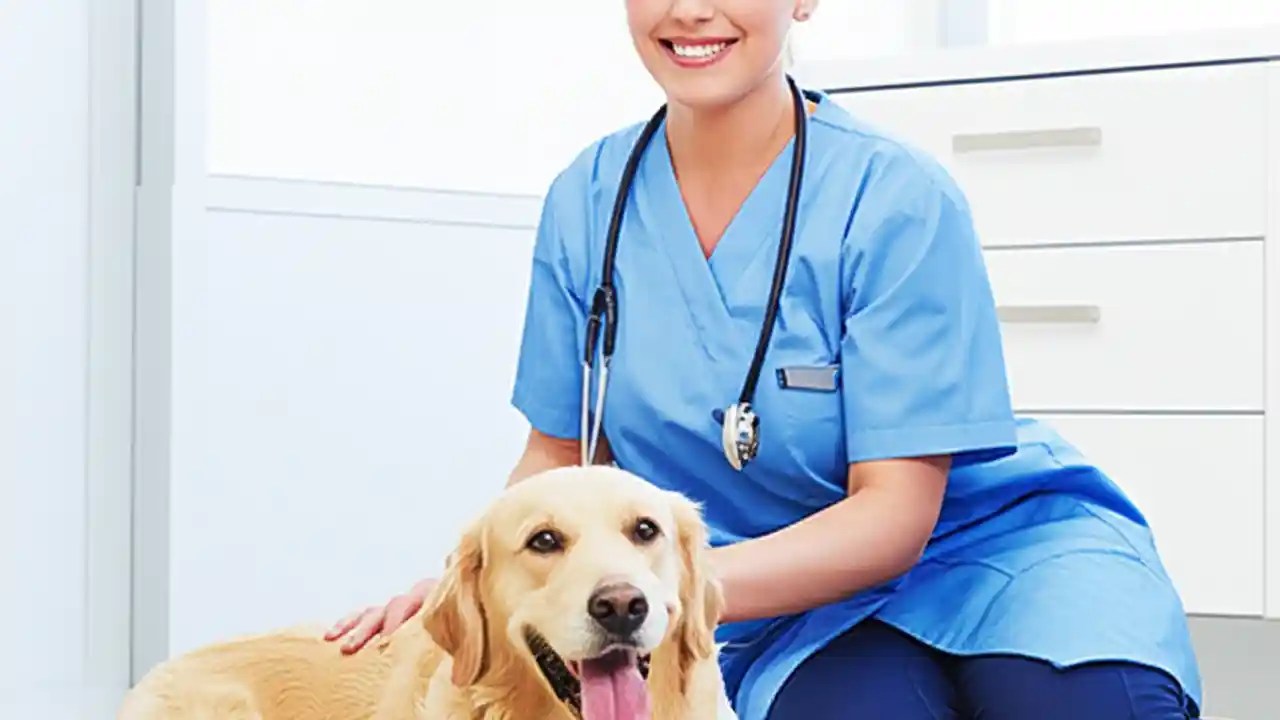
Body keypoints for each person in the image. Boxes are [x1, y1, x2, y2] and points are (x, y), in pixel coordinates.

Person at [326, 1, 1204, 718]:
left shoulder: (897, 198)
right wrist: (480, 583)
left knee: (1084, 706)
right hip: (781, 595)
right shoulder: (586, 204)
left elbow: (894, 516)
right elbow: (560, 455)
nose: (689, 12)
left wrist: (663, 587)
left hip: (995, 549)